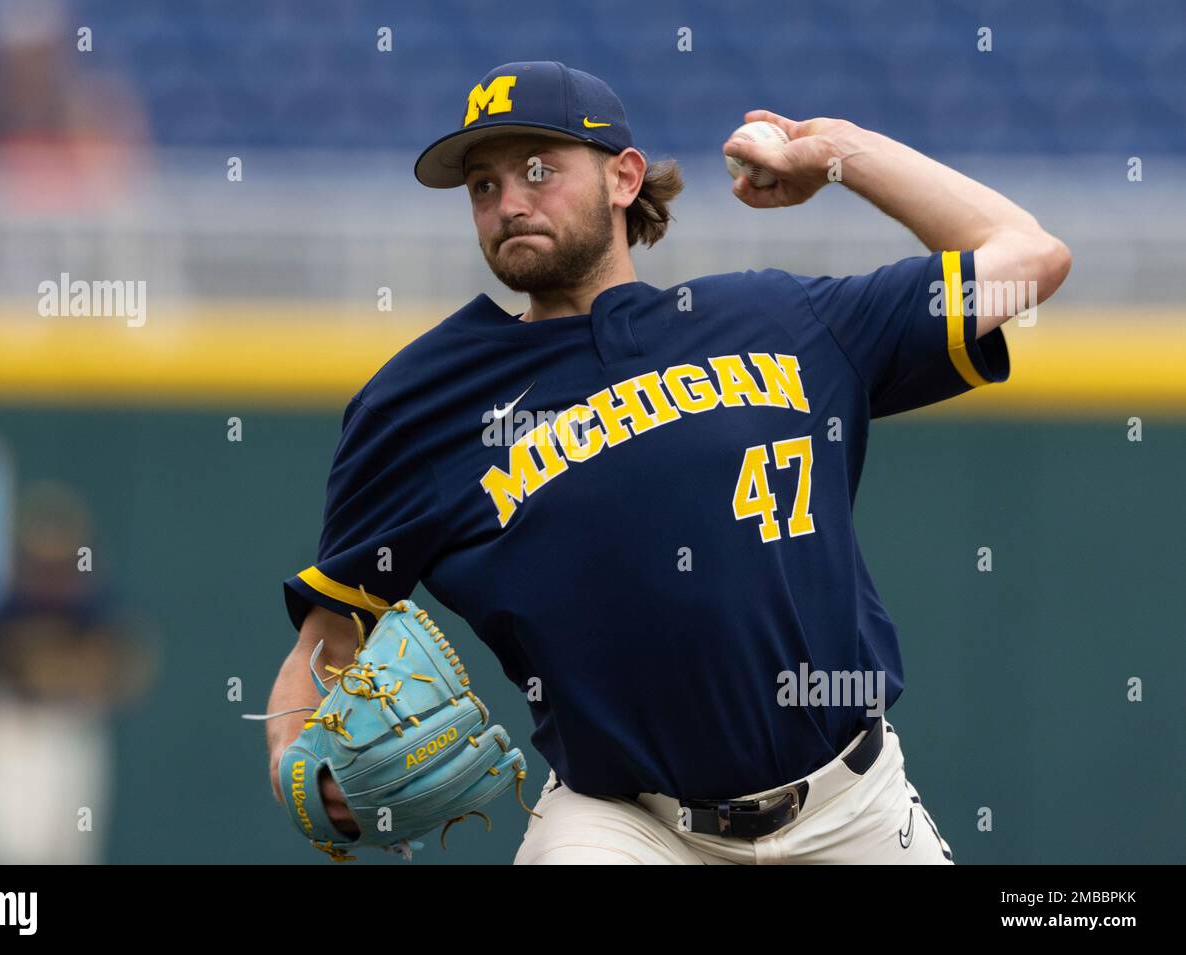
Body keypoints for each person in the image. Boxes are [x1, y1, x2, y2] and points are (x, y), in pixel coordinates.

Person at [267, 61, 1071, 864]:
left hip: (852, 807)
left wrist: (838, 151)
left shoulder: (781, 320)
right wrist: (299, 769)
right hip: (625, 824)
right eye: (483, 185)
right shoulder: (421, 404)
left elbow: (1030, 257)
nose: (508, 202)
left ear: (624, 177)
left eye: (538, 170)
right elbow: (327, 638)